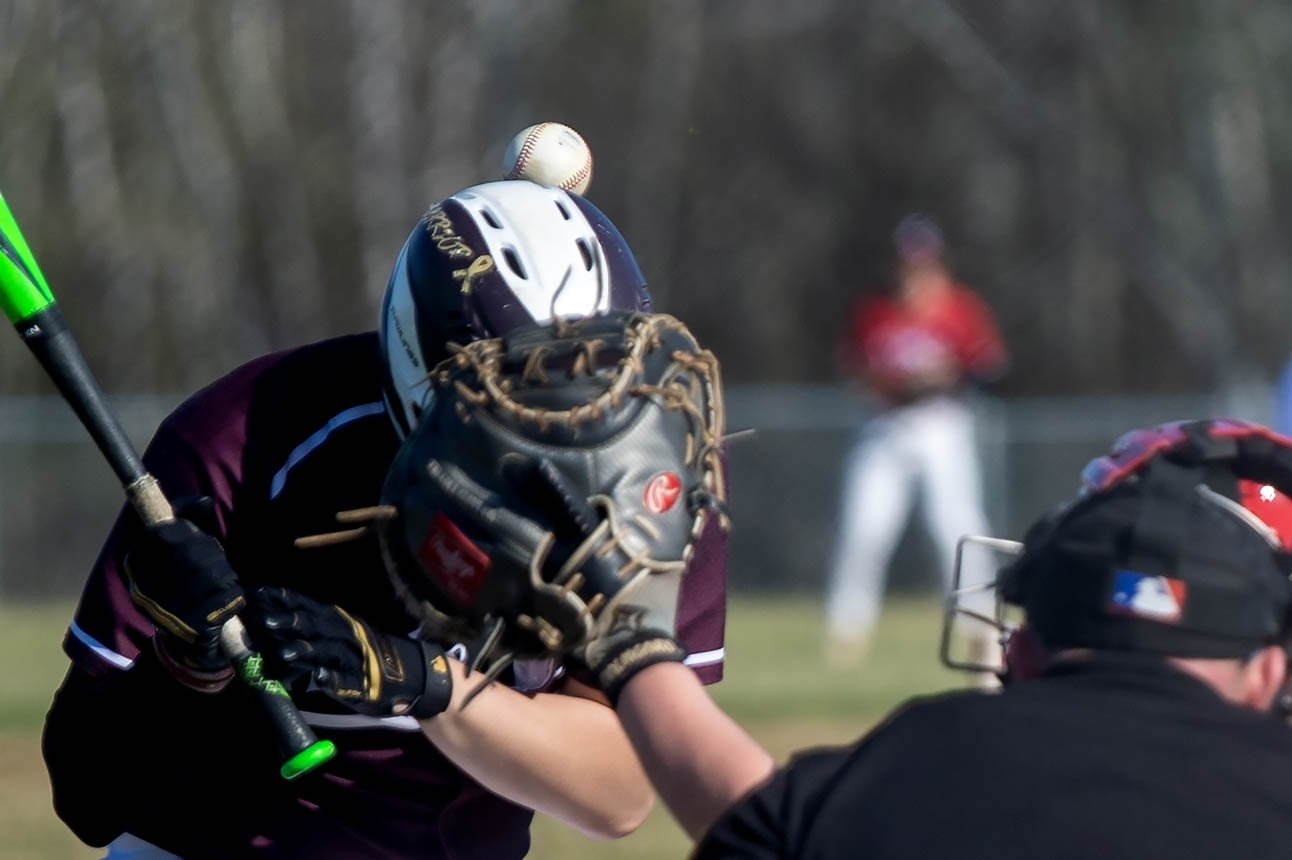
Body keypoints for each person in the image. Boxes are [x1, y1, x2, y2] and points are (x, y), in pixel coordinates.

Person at [41, 180, 730, 859]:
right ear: (422, 371)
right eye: (526, 407)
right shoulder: (244, 442)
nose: (573, 447)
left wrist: (417, 681)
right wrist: (184, 669)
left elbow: (616, 794)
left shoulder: (655, 484)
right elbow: (87, 795)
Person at [594, 418, 1292, 858]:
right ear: (1266, 669)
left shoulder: (922, 756)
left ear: (1028, 644)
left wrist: (630, 649)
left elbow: (765, 824)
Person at [825, 214, 1008, 666]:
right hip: (885, 425)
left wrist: (945, 379)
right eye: (907, 260)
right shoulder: (875, 310)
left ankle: (978, 625)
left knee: (957, 528)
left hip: (942, 426)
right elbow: (852, 367)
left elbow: (991, 369)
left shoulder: (960, 308)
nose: (913, 268)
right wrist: (888, 382)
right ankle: (847, 632)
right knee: (864, 530)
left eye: (921, 259)